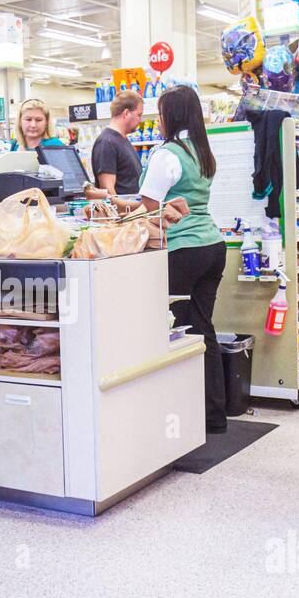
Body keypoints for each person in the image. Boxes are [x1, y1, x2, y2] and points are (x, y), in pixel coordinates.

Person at [136, 85, 228, 434]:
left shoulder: (167, 153)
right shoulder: (202, 151)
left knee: (174, 332)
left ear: (169, 115)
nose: (157, 121)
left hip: (181, 248)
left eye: (159, 114)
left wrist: (112, 203)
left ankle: (177, 414)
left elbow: (147, 205)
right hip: (212, 245)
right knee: (203, 329)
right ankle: (213, 414)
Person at [91, 90, 145, 198]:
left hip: (132, 211)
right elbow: (108, 190)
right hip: (124, 213)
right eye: (139, 115)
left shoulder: (122, 140)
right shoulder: (107, 142)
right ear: (126, 113)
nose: (140, 120)